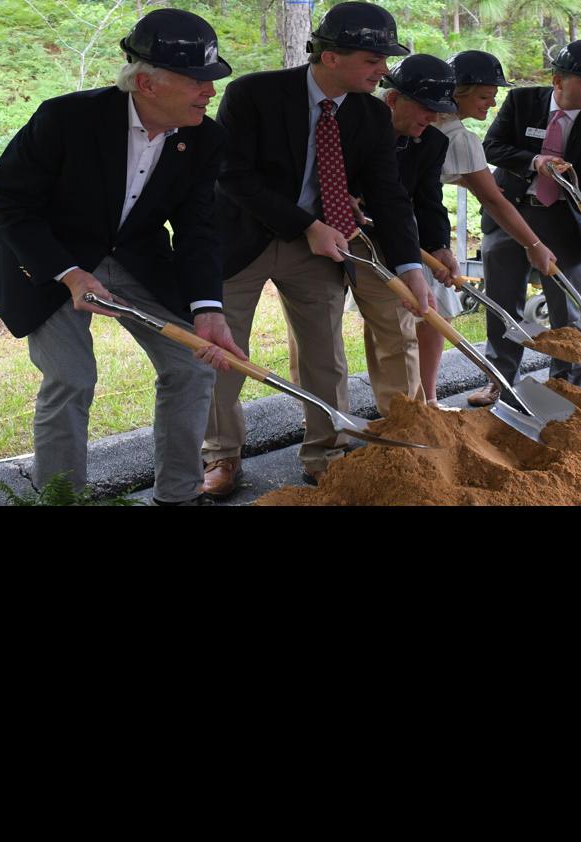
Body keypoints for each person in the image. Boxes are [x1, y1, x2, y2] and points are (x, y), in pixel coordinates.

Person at [0, 8, 245, 506]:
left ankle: (179, 496)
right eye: (198, 81)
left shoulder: (205, 137)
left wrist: (207, 308)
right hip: (50, 262)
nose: (210, 92)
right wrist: (70, 273)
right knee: (71, 377)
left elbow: (198, 228)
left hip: (137, 259)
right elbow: (8, 203)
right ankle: (63, 499)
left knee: (192, 366)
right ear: (146, 83)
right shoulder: (66, 119)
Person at [200, 1, 433, 496]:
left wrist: (411, 265)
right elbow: (233, 175)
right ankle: (221, 456)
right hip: (243, 238)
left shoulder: (370, 114)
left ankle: (324, 452)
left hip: (318, 248)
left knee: (325, 354)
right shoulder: (253, 94)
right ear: (331, 57)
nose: (384, 71)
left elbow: (388, 194)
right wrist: (306, 224)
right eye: (373, 61)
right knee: (222, 351)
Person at [471, 39, 581, 405]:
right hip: (509, 214)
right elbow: (491, 147)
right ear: (559, 80)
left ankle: (567, 386)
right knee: (501, 303)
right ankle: (500, 381)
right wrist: (534, 161)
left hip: (565, 222)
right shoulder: (522, 103)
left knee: (568, 310)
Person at [418, 50, 560, 407]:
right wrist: (533, 244)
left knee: (418, 320)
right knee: (431, 317)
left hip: (407, 225)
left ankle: (421, 401)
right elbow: (494, 200)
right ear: (456, 92)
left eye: (494, 96)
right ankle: (425, 402)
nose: (491, 103)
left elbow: (468, 183)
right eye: (483, 96)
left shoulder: (421, 120)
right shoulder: (459, 137)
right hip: (417, 232)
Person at [350, 54, 455, 411]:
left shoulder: (432, 143)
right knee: (317, 336)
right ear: (393, 99)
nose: (434, 118)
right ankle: (321, 421)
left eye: (440, 110)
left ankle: (405, 417)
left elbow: (428, 201)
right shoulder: (349, 120)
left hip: (385, 238)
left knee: (398, 324)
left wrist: (439, 245)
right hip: (319, 233)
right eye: (427, 107)